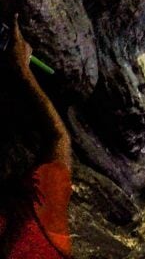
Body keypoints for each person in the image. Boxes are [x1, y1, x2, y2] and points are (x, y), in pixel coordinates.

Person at [0, 15, 72, 258]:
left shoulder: (46, 233)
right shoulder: (45, 231)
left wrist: (22, 69)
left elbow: (59, 137)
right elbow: (58, 139)